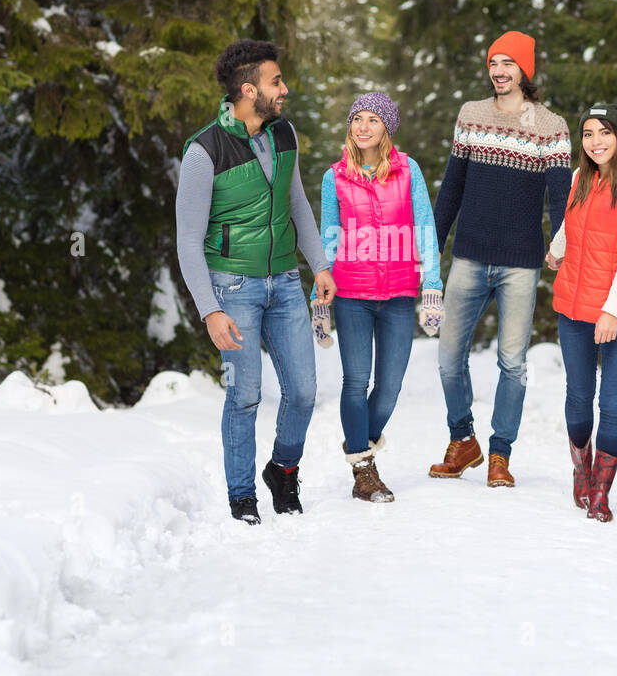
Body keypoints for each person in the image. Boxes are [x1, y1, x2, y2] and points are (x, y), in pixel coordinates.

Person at [175, 40, 336, 525]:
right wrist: (210, 310)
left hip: (285, 282)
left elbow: (298, 204)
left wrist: (320, 265)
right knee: (244, 395)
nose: (284, 89)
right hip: (232, 289)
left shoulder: (283, 134)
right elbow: (187, 239)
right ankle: (241, 495)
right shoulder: (204, 151)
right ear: (249, 90)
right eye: (276, 82)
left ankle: (283, 471)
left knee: (304, 391)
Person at [430, 31, 572, 488]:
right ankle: (462, 439)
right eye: (494, 62)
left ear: (525, 70)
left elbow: (559, 196)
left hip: (520, 263)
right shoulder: (471, 115)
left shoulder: (551, 126)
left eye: (509, 63)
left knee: (512, 362)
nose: (499, 71)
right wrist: (432, 243)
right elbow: (452, 185)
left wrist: (560, 241)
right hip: (468, 256)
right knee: (450, 357)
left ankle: (499, 454)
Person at [311, 92, 443, 502]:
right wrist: (320, 296)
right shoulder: (335, 177)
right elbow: (328, 236)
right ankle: (364, 470)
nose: (363, 127)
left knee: (389, 386)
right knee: (355, 382)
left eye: (373, 119)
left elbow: (424, 225)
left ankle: (357, 444)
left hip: (400, 293)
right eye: (357, 119)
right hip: (351, 292)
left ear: (387, 127)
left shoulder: (408, 171)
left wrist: (433, 285)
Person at [546, 104, 617, 521]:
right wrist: (556, 250)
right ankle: (582, 468)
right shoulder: (580, 177)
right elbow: (571, 225)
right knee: (579, 398)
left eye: (605, 133)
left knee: (613, 403)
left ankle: (601, 491)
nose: (596, 142)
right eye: (588, 134)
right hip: (574, 307)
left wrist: (610, 312)